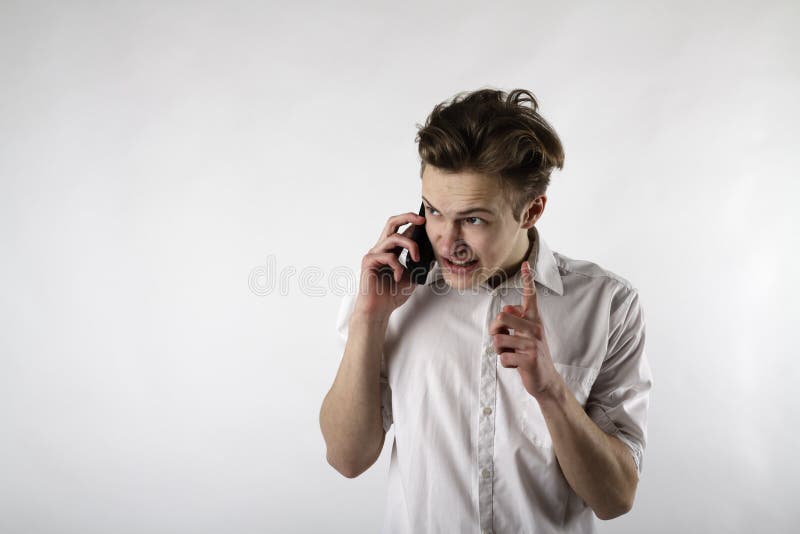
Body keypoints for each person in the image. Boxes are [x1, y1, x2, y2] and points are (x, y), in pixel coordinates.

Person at [319, 88, 653, 534]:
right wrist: (369, 318)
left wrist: (551, 391)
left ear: (531, 210)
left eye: (473, 219)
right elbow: (347, 459)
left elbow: (615, 499)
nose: (447, 240)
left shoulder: (608, 305)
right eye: (434, 211)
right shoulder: (388, 294)